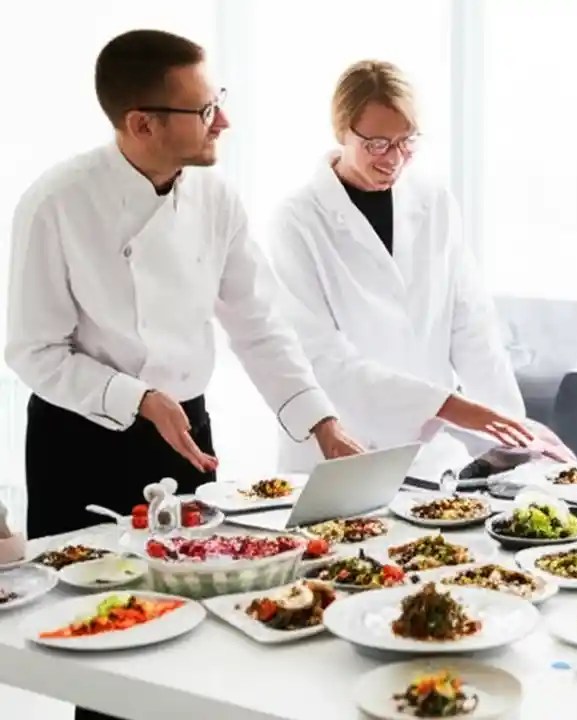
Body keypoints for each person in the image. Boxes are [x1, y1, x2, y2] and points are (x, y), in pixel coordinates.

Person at [3, 28, 359, 720]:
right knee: (101, 638)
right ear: (141, 123)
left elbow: (256, 322)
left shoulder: (216, 197)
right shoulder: (55, 202)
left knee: (197, 630)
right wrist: (136, 396)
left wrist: (323, 421)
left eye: (216, 100)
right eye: (205, 109)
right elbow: (31, 350)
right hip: (83, 436)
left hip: (185, 431)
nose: (222, 120)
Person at [266, 60, 565, 480]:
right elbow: (322, 358)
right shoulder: (296, 219)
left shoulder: (434, 202)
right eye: (378, 144)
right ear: (342, 131)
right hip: (340, 449)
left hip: (428, 455)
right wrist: (450, 406)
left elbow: (472, 327)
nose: (395, 158)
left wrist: (514, 437)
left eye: (407, 141)